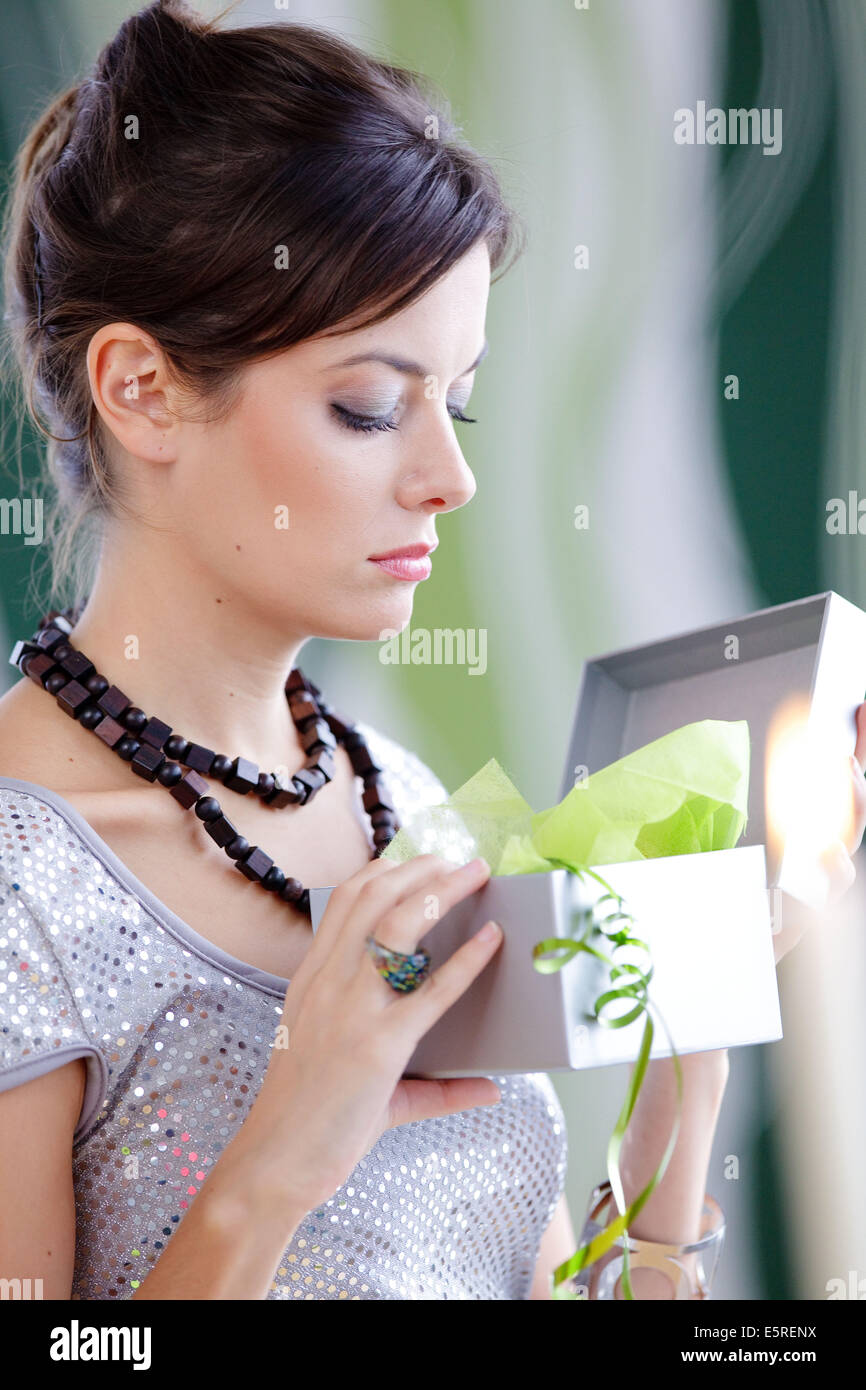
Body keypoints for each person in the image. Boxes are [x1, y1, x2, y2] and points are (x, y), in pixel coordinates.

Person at [1, 0, 864, 1303]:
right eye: (369, 405)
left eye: (454, 404)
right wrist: (285, 1149)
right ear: (141, 388)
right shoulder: (25, 870)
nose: (449, 476)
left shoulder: (400, 804)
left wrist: (683, 1074)